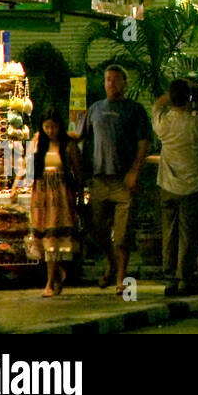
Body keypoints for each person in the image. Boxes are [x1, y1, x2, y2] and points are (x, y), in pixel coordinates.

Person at [76, 65, 150, 293]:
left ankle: (121, 277)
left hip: (122, 180)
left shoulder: (134, 110)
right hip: (100, 179)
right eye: (108, 79)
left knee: (122, 234)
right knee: (96, 229)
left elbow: (144, 143)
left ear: (124, 84)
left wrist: (135, 171)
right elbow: (80, 137)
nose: (111, 83)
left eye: (116, 80)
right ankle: (111, 263)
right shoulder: (95, 109)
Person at [11, 111, 80, 297]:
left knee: (53, 239)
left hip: (60, 196)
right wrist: (16, 185)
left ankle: (50, 282)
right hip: (41, 194)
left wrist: (79, 194)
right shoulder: (37, 141)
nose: (51, 131)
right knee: (43, 238)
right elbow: (27, 164)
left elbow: (77, 170)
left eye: (54, 126)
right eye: (47, 127)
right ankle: (56, 274)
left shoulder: (68, 145)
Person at [152, 78, 198, 295]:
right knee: (189, 236)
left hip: (167, 184)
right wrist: (197, 96)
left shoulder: (163, 123)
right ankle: (186, 278)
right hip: (192, 186)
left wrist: (173, 93)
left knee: (169, 232)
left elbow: (157, 105)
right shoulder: (195, 124)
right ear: (189, 98)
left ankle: (170, 279)